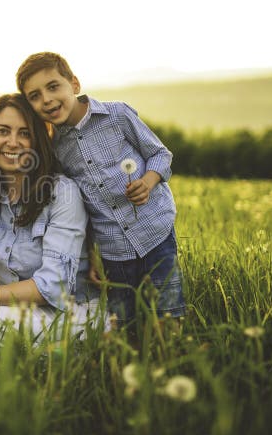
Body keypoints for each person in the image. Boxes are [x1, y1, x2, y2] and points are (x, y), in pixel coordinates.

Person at [16, 52, 185, 328]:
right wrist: (93, 255)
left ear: (74, 84)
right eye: (34, 96)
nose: (46, 99)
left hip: (155, 232)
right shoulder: (56, 146)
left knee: (167, 316)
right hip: (112, 250)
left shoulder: (117, 114)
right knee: (122, 324)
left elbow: (160, 154)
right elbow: (80, 208)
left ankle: (168, 358)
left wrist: (149, 181)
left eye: (53, 87)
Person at [0, 93, 111, 338]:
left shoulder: (61, 192)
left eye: (24, 133)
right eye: (2, 131)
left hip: (77, 312)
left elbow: (54, 285)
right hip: (18, 312)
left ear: (38, 140)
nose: (13, 142)